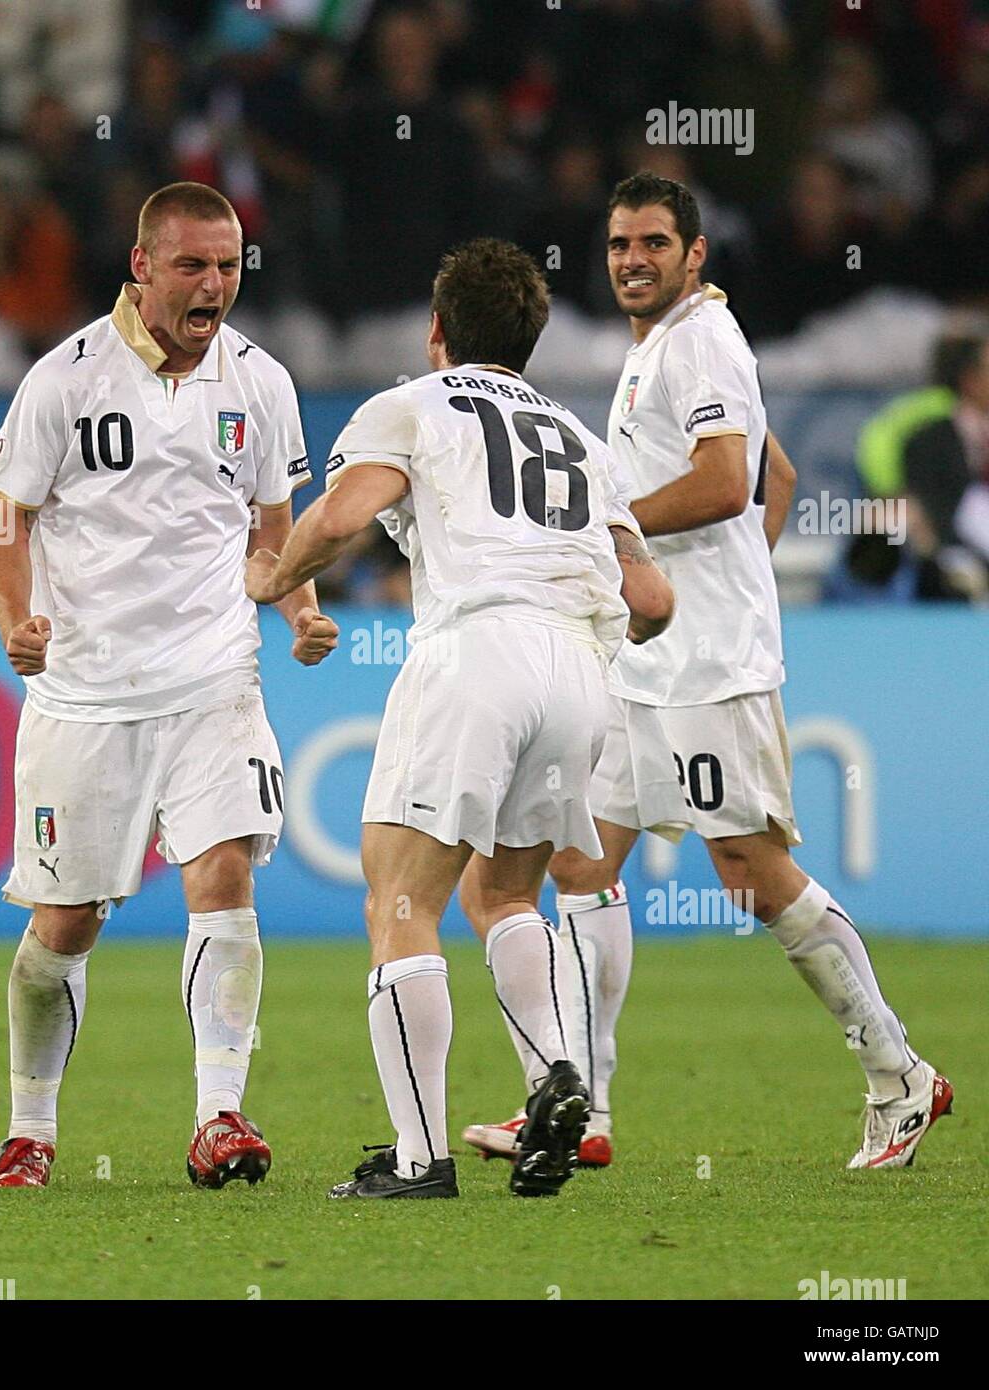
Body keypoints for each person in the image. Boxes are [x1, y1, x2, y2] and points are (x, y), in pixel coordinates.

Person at [462, 173, 952, 1173]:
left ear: (694, 254)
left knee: (748, 873)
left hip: (708, 670)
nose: (632, 258)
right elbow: (775, 477)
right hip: (649, 661)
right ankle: (581, 1107)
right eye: (617, 244)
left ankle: (899, 1074)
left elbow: (729, 480)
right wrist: (736, 579)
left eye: (651, 242)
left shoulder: (703, 340)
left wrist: (623, 535)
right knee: (578, 861)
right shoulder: (662, 347)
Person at [245, 238, 675, 1199]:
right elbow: (650, 598)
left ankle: (417, 1159)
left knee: (400, 903)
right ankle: (558, 1074)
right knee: (506, 899)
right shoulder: (579, 440)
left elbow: (344, 512)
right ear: (530, 340)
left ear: (437, 331)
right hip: (579, 671)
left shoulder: (411, 404)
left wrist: (274, 580)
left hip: (476, 648)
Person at [0, 181, 338, 1191]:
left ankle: (219, 1116)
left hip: (214, 681)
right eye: (192, 265)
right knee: (67, 924)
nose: (214, 284)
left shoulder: (261, 383)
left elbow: (276, 533)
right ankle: (30, 1128)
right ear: (142, 268)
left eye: (227, 266)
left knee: (224, 876)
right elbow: (4, 535)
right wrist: (21, 625)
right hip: (84, 696)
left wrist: (299, 608)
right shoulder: (64, 379)